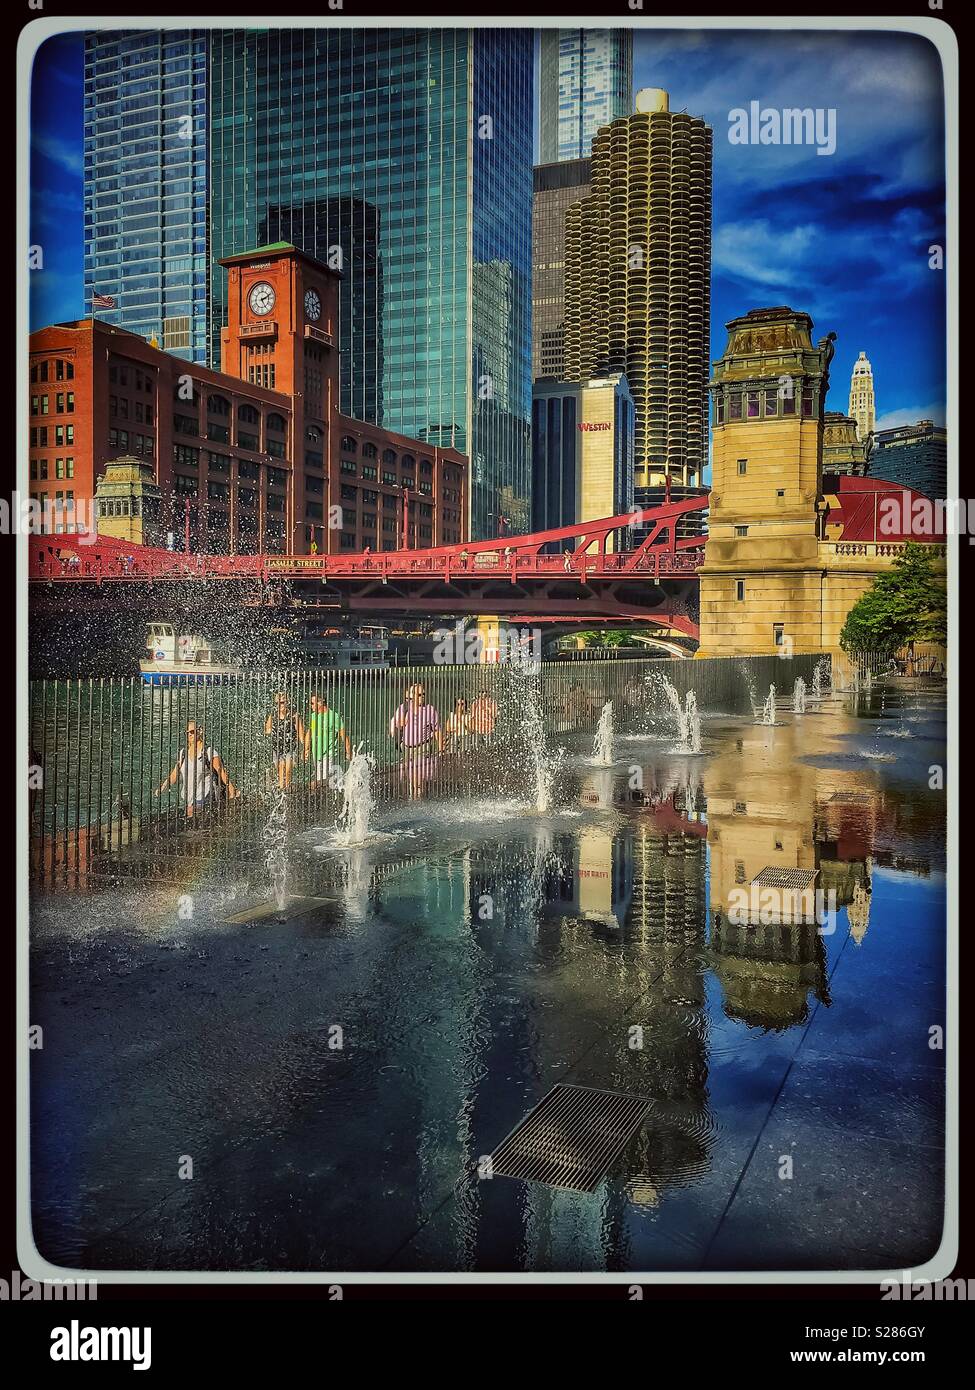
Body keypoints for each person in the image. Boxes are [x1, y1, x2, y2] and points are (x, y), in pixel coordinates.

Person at [155, 721, 237, 818]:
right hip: (188, 797)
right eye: (188, 732)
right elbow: (174, 774)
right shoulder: (183, 753)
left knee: (193, 815)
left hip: (205, 794)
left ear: (200, 731)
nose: (190, 734)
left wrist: (232, 792)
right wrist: (163, 786)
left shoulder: (209, 752)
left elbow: (221, 772)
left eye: (192, 731)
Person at [389, 683, 443, 796]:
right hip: (407, 748)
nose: (422, 697)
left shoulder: (430, 710)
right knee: (412, 778)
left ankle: (418, 800)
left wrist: (441, 749)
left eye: (423, 694)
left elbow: (437, 730)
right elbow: (397, 725)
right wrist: (400, 722)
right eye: (419, 695)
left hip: (422, 746)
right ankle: (419, 796)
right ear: (412, 696)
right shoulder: (404, 708)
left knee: (417, 776)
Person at [305, 693, 352, 788]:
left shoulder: (334, 717)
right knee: (320, 779)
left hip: (329, 753)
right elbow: (310, 732)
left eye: (312, 703)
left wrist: (348, 752)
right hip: (316, 753)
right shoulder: (313, 716)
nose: (311, 706)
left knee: (322, 780)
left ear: (321, 702)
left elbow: (344, 736)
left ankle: (324, 797)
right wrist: (306, 749)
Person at [264, 692, 306, 789]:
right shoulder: (273, 715)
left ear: (287, 702)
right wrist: (271, 730)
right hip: (277, 748)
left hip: (290, 748)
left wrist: (305, 748)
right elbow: (267, 729)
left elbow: (300, 732)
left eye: (282, 702)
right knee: (280, 772)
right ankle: (282, 790)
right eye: (278, 703)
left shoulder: (293, 716)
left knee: (287, 770)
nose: (280, 705)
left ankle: (286, 790)